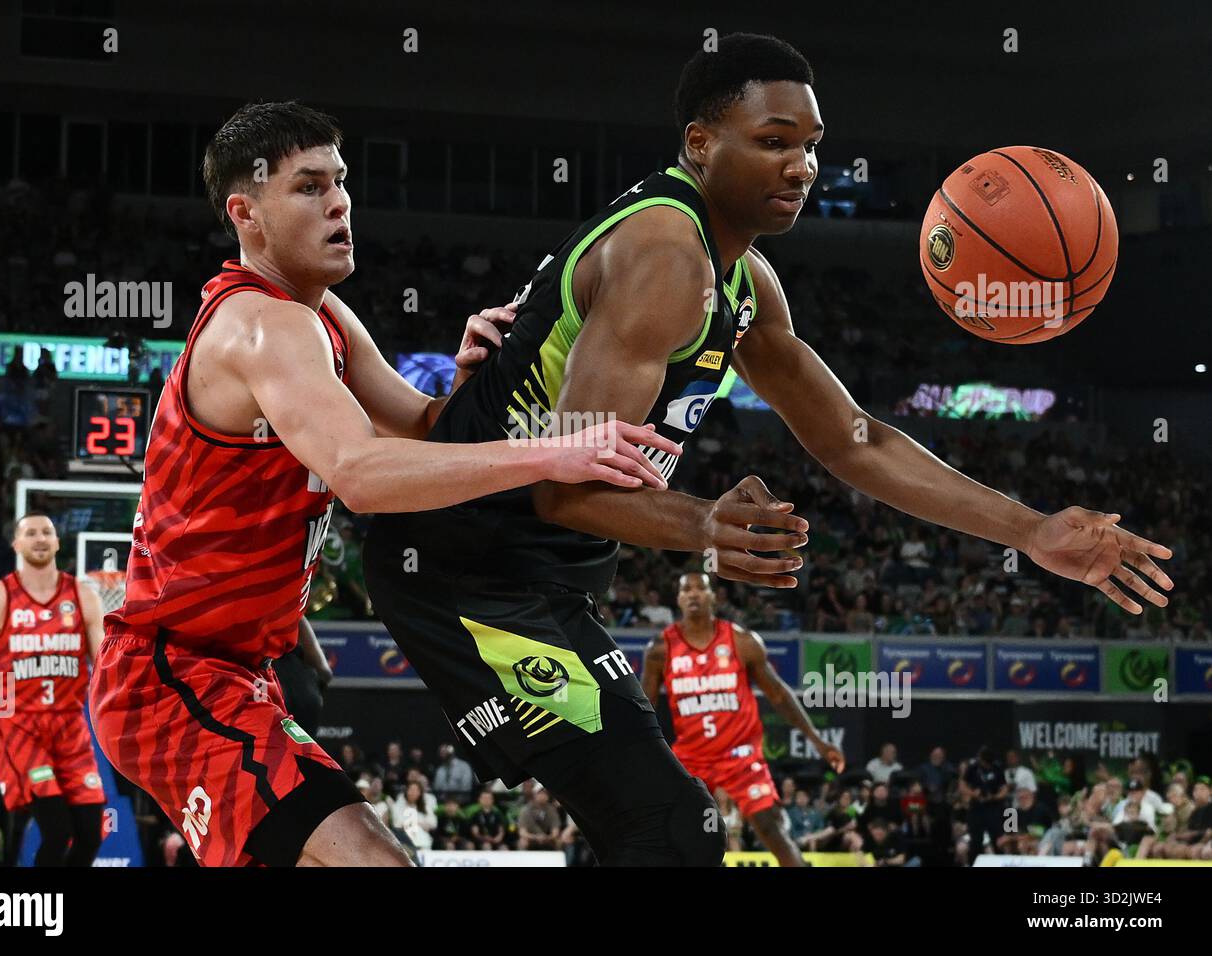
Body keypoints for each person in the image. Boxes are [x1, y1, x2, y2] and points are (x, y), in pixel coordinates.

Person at [362, 32, 1171, 867]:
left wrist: (1031, 532)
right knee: (668, 827)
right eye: (774, 141)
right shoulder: (666, 258)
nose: (800, 166)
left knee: (650, 829)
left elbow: (855, 441)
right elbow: (564, 490)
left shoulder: (745, 279)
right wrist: (706, 524)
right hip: (465, 565)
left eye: (811, 145)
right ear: (701, 145)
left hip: (541, 571)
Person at [89, 102, 675, 869]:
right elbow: (362, 475)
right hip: (171, 674)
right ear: (246, 212)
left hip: (237, 673)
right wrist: (550, 453)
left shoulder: (321, 312)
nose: (339, 202)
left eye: (341, 182)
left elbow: (423, 427)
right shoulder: (263, 326)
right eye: (308, 187)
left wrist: (469, 385)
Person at [0, 513, 107, 866]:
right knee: (57, 831)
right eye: (30, 533)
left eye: (48, 531)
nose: (40, 538)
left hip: (70, 728)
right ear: (16, 544)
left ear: (58, 542)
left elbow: (108, 671)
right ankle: (37, 909)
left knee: (91, 834)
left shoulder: (82, 596)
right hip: (20, 731)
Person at [643, 572, 843, 866]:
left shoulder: (742, 641)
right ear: (678, 599)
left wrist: (817, 740)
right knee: (677, 833)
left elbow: (778, 695)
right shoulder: (660, 650)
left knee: (769, 826)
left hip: (740, 755)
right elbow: (644, 708)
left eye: (701, 588)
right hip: (692, 758)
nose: (694, 594)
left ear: (713, 597)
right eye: (687, 589)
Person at [961, 747, 1008, 864]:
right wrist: (973, 793)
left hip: (993, 808)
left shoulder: (997, 768)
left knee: (997, 839)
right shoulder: (973, 768)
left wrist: (994, 796)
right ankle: (973, 864)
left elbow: (1004, 789)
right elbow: (962, 785)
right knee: (975, 841)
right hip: (976, 808)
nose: (986, 766)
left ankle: (1001, 864)